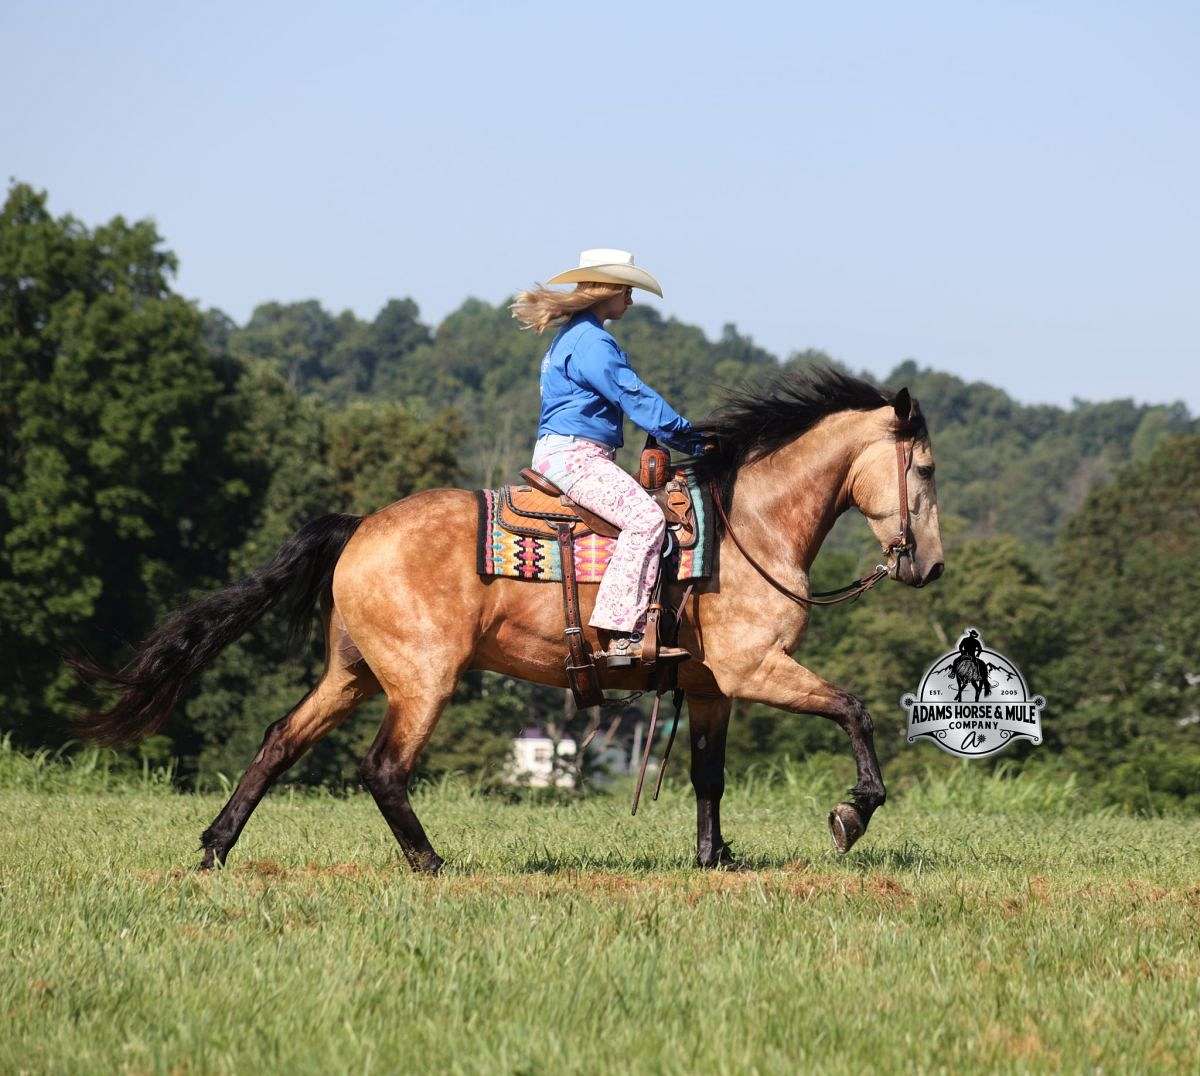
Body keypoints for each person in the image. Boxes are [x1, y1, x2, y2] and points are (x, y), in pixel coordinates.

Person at [511, 248, 704, 666]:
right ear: (608, 291)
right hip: (576, 457)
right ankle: (620, 634)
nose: (631, 301)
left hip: (567, 453)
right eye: (628, 291)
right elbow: (636, 399)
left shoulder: (576, 336)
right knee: (647, 519)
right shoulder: (593, 342)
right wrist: (695, 441)